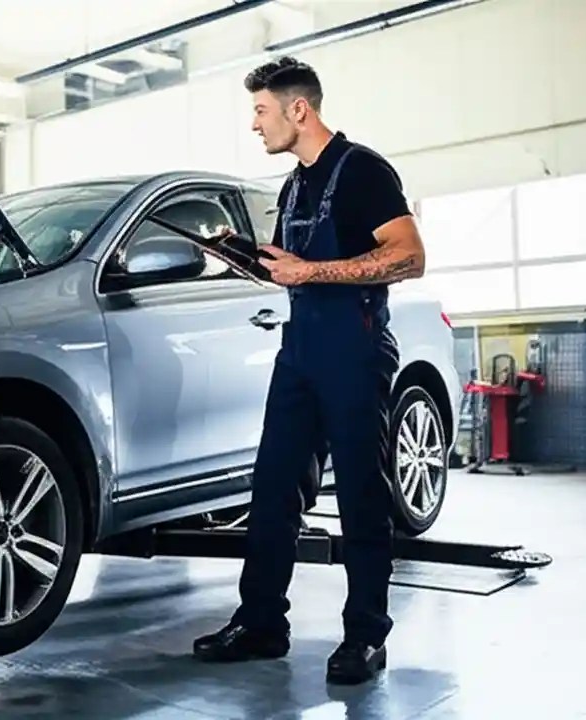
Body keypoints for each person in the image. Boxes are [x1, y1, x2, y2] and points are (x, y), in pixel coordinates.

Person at [191, 56, 426, 685]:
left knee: (360, 492)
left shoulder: (364, 171)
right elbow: (291, 267)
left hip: (354, 346)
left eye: (261, 111)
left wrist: (311, 271)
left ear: (299, 109)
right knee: (272, 490)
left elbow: (408, 257)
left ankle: (366, 637)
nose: (255, 125)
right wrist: (247, 259)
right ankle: (262, 622)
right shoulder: (295, 184)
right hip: (300, 351)